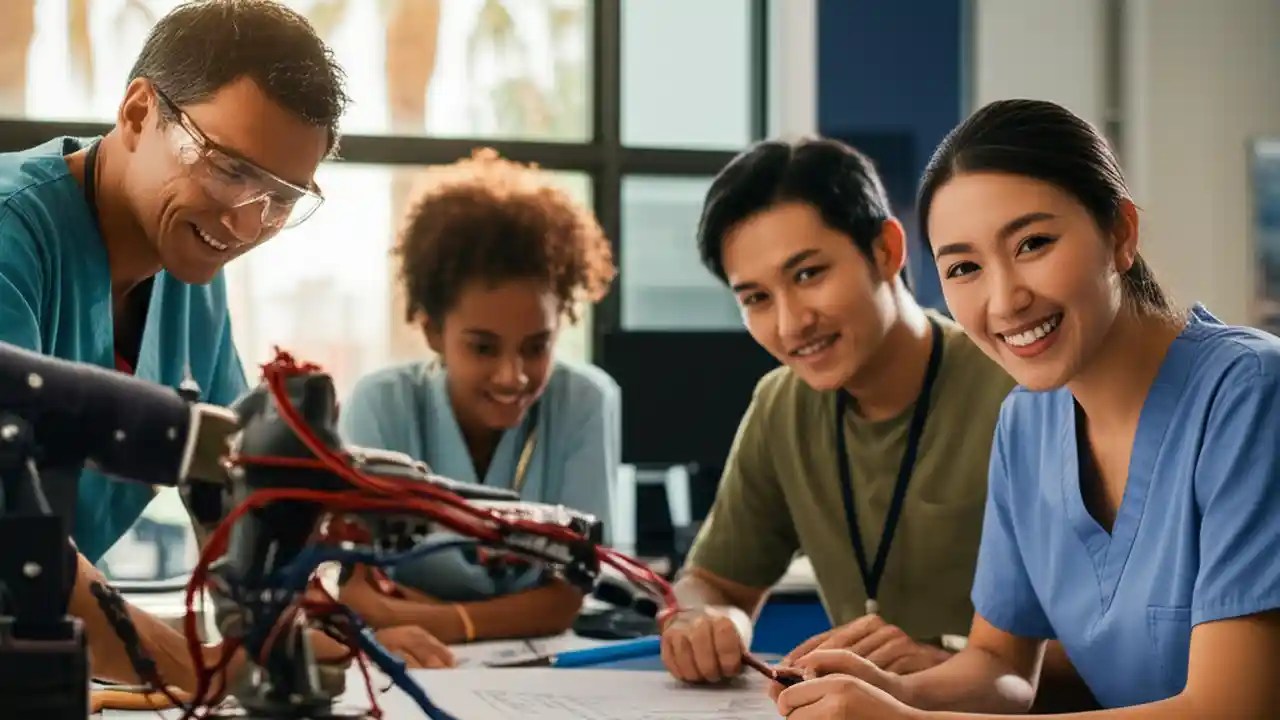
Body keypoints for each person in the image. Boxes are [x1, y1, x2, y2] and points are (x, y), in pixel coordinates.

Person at [774, 99, 1280, 719]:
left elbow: (1233, 708)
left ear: (1120, 234)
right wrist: (893, 691)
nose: (1004, 299)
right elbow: (1001, 669)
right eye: (963, 267)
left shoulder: (1250, 391)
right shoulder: (1025, 424)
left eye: (1034, 243)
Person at [0, 0, 450, 692]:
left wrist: (300, 624)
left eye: (281, 197)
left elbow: (235, 494)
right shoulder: (13, 240)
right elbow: (14, 537)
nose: (245, 223)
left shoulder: (188, 271)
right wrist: (202, 667)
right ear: (139, 112)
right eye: (228, 169)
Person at [658, 137, 1018, 684]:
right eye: (756, 298)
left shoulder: (1017, 389)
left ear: (886, 251)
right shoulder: (782, 405)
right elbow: (714, 582)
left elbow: (1123, 643)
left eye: (807, 275)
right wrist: (705, 617)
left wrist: (960, 664)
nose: (789, 324)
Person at [336, 149, 620, 643]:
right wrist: (505, 615)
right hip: (409, 662)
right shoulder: (380, 405)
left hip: (541, 671)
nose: (512, 377)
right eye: (482, 347)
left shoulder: (585, 402)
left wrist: (445, 622)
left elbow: (566, 597)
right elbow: (354, 588)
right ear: (431, 332)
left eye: (537, 347)